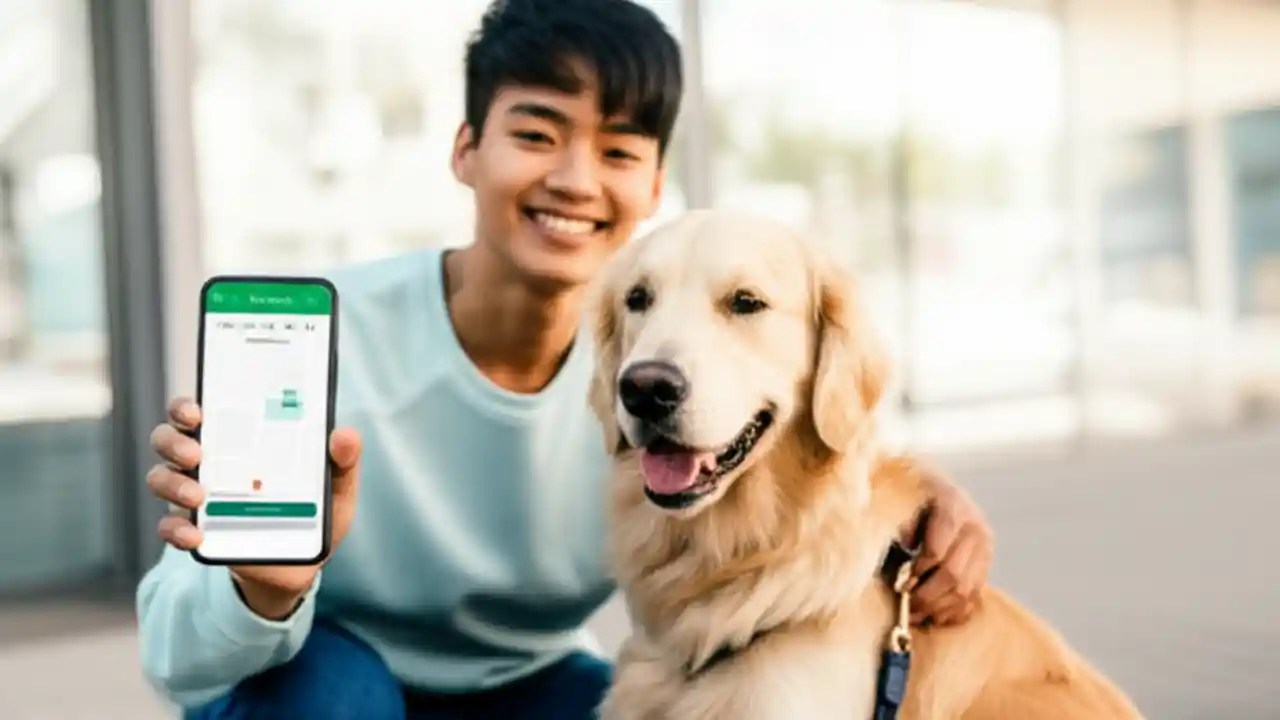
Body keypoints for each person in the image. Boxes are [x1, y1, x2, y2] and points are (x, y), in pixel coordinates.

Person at [137, 0, 995, 718]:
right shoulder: (329, 336)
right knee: (337, 692)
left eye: (620, 151)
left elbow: (806, 458)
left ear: (655, 185)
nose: (578, 179)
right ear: (466, 149)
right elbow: (173, 651)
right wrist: (264, 590)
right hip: (316, 681)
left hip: (530, 685)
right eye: (539, 133)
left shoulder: (663, 370)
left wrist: (919, 501)